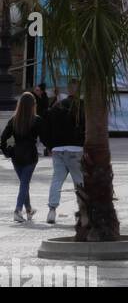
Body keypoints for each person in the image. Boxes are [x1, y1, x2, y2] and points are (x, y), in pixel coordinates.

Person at [39, 78, 85, 224]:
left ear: (69, 90)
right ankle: (82, 212)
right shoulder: (82, 107)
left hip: (58, 149)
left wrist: (50, 145)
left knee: (57, 180)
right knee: (79, 181)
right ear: (80, 91)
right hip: (75, 148)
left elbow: (45, 127)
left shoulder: (57, 107)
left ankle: (52, 211)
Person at [1, 91, 43, 222]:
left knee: (24, 183)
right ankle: (18, 210)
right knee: (24, 183)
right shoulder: (36, 120)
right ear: (32, 105)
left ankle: (29, 210)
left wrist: (7, 151)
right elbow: (45, 137)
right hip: (30, 155)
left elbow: (2, 138)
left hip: (16, 155)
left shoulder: (14, 120)